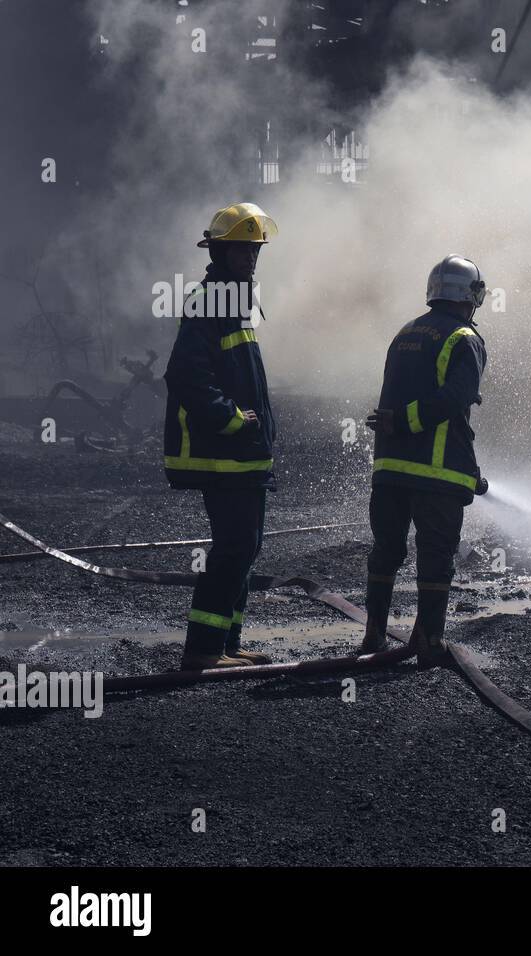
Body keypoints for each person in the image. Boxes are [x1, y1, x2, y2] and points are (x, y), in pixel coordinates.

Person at [162, 202, 278, 671]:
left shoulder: (234, 300)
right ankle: (204, 650)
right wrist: (232, 420)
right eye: (242, 250)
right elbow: (185, 374)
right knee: (233, 548)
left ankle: (227, 643)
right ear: (221, 251)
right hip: (222, 455)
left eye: (255, 250)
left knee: (245, 547)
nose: (250, 258)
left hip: (243, 456)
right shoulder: (211, 299)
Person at [361, 255, 489, 666]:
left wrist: (397, 423)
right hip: (436, 473)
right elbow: (454, 400)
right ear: (468, 296)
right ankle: (430, 644)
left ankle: (374, 637)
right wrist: (408, 422)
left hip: (389, 470)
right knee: (435, 556)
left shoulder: (404, 334)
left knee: (386, 551)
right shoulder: (464, 337)